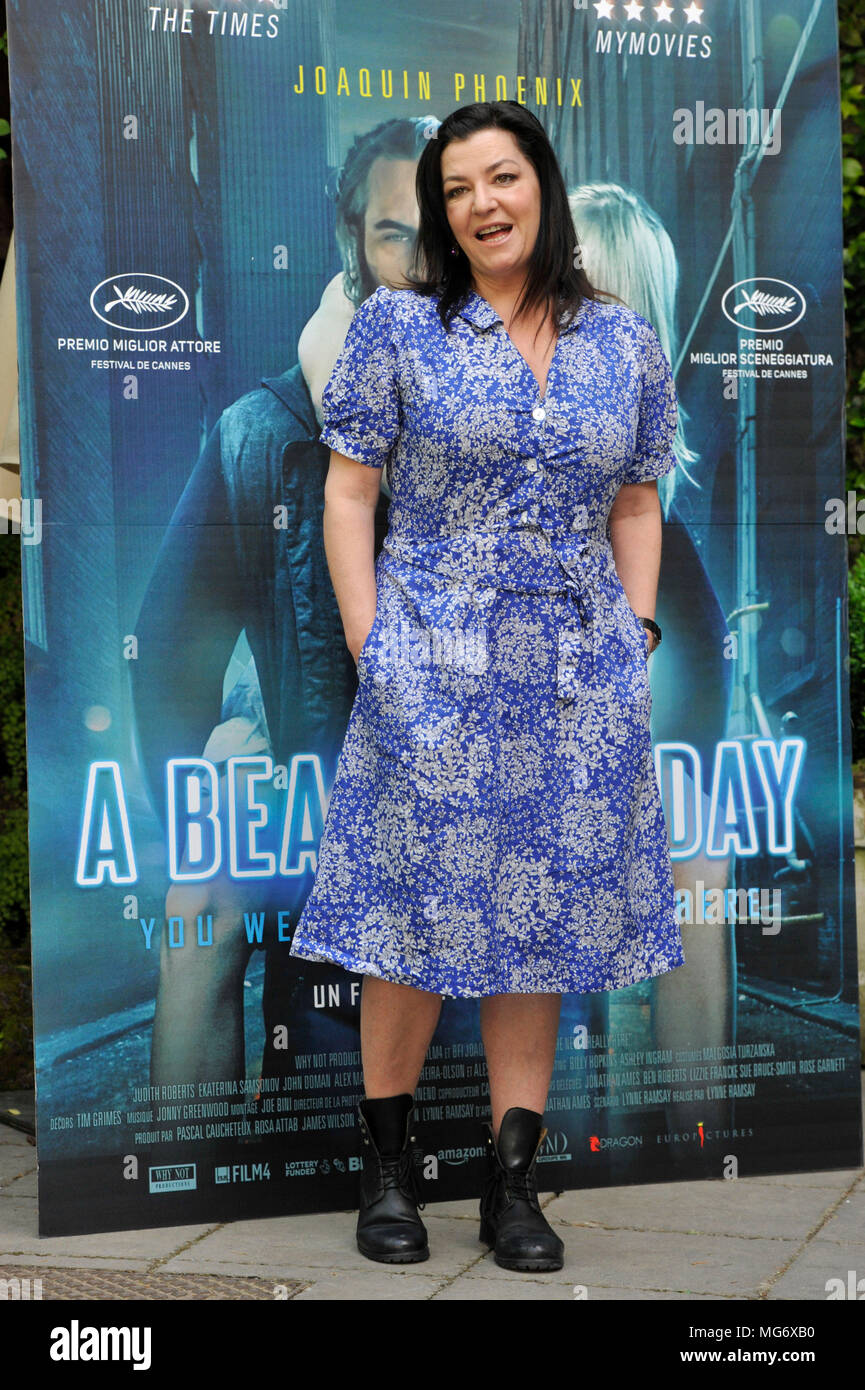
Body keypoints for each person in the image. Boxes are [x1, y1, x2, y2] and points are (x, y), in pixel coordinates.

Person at [288, 100, 686, 1272]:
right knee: (406, 922)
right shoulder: (401, 330)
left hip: (573, 672)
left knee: (541, 930)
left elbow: (636, 497)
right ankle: (389, 1174)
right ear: (440, 212)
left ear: (541, 186)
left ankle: (513, 1189)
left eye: (500, 178)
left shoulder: (621, 341)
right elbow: (348, 494)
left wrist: (637, 631)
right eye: (456, 189)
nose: (481, 204)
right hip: (432, 664)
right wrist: (377, 650)